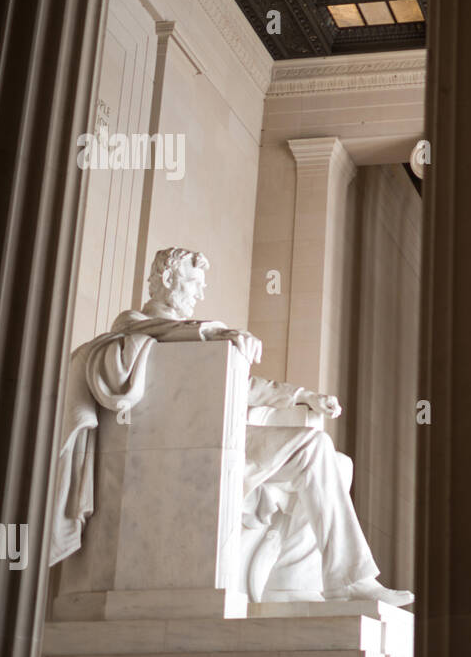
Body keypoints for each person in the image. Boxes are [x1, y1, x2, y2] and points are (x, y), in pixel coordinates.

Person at [60, 247, 412, 606]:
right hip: (187, 451)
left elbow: (243, 387)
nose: (199, 292)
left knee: (339, 465)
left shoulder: (189, 336)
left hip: (219, 440)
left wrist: (302, 396)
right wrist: (215, 333)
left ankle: (290, 585)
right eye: (194, 281)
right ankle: (350, 580)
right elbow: (141, 345)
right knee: (315, 448)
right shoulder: (136, 333)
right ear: (167, 280)